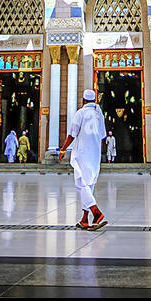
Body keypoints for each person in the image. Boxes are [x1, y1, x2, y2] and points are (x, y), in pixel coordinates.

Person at [58, 89, 108, 230]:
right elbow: (102, 136)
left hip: (82, 153)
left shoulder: (80, 113)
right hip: (94, 154)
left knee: (81, 184)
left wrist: (63, 149)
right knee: (89, 185)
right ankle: (85, 219)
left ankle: (96, 213)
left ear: (84, 100)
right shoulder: (99, 114)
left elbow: (72, 134)